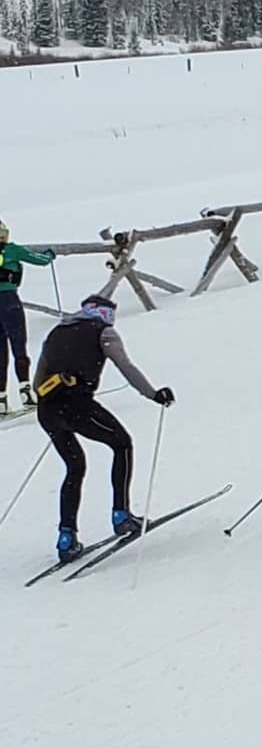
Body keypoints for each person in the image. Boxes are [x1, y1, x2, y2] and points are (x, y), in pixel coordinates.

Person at [34, 295, 175, 562]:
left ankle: (66, 538)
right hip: (77, 405)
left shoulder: (57, 330)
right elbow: (126, 366)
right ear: (106, 314)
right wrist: (153, 394)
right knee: (121, 444)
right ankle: (121, 515)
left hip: (48, 409)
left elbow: (39, 377)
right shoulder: (104, 332)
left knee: (74, 467)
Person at [0, 222, 56, 415]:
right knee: (19, 345)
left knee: (0, 351)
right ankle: (25, 392)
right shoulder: (12, 250)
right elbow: (40, 260)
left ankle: (1, 400)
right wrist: (50, 255)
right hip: (9, 301)